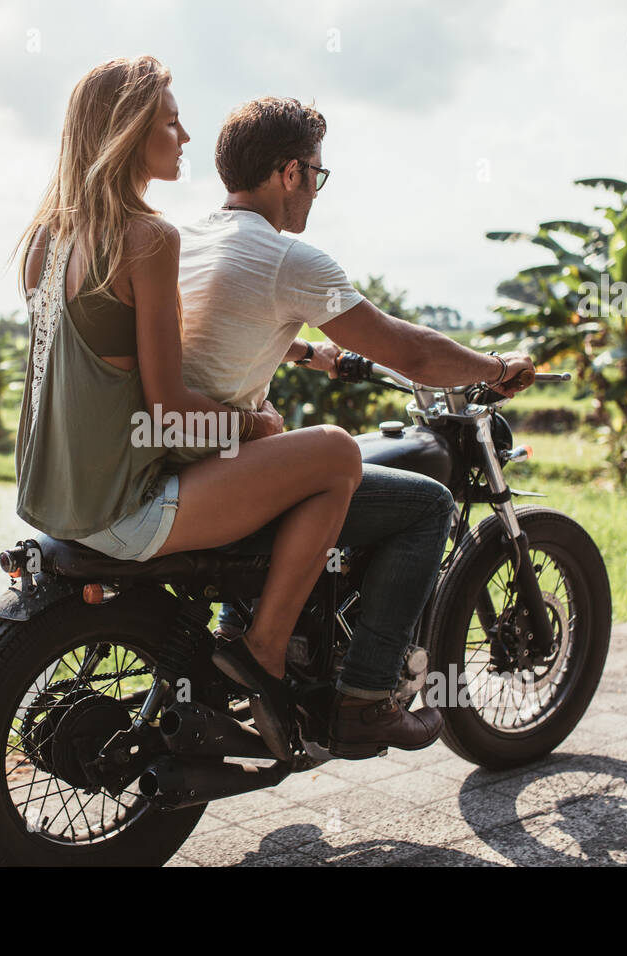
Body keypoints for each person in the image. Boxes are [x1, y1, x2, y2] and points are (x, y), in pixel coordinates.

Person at [13, 58, 362, 762]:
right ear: (128, 132)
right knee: (336, 454)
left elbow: (118, 350)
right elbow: (168, 405)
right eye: (169, 120)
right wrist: (255, 425)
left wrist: (303, 355)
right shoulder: (150, 239)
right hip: (125, 509)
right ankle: (261, 651)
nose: (184, 134)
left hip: (53, 499)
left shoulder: (48, 237)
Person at [177, 96, 537, 758]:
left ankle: (257, 635)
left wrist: (311, 353)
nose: (316, 188)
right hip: (215, 479)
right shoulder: (290, 259)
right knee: (425, 507)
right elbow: (414, 352)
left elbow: (222, 321)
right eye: (318, 172)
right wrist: (497, 366)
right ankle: (368, 700)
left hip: (175, 462)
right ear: (291, 174)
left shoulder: (188, 240)